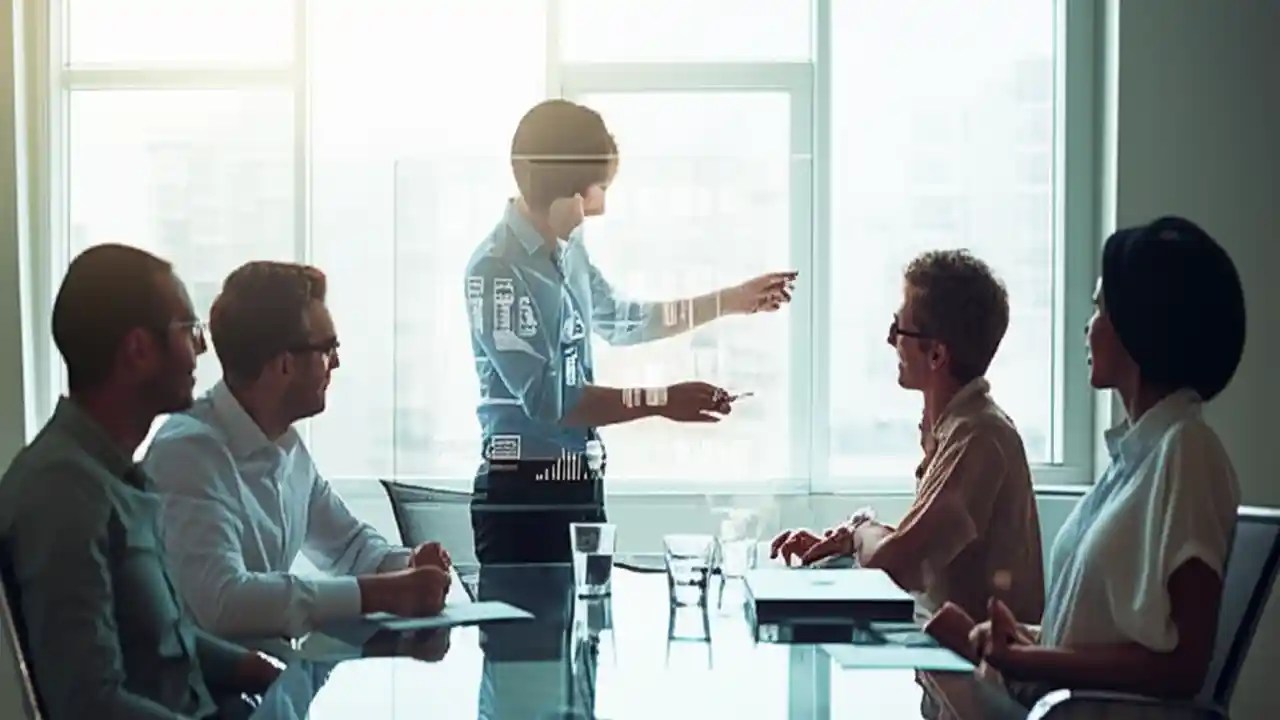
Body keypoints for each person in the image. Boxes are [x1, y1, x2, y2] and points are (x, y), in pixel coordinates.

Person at [465, 98, 798, 563]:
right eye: (595, 189)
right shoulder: (496, 270)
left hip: (578, 483)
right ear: (564, 191)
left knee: (587, 627)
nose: (599, 208)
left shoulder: (568, 250)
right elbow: (549, 400)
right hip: (522, 496)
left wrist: (730, 300)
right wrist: (662, 401)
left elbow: (623, 321)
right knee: (531, 635)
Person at [962, 216, 1245, 707]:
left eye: (1099, 309)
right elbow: (1099, 636)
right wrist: (1021, 641)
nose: (1088, 327)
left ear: (1140, 323)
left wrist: (1031, 660)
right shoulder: (1135, 459)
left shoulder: (1188, 452)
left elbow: (1184, 667)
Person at [0, 244, 281, 720]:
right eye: (190, 331)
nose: (201, 348)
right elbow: (88, 704)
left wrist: (259, 669)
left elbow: (169, 641)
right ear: (138, 350)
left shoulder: (120, 476)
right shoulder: (62, 493)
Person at [143, 261, 451, 644]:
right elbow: (223, 603)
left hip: (271, 683)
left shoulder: (286, 445)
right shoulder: (189, 453)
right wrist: (380, 593)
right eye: (327, 348)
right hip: (208, 695)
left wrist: (408, 564)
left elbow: (350, 546)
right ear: (285, 363)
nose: (335, 362)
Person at [770, 249, 1044, 626]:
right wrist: (852, 542)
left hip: (982, 676)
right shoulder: (961, 428)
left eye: (899, 329)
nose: (889, 340)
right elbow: (928, 548)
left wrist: (860, 530)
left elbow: (894, 566)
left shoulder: (980, 438)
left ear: (936, 355)